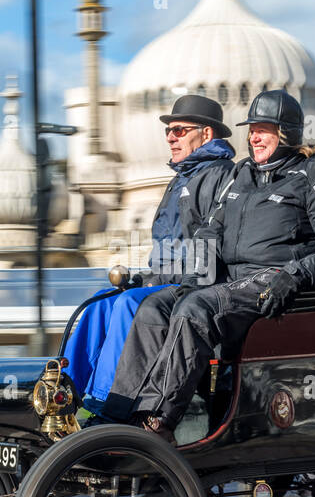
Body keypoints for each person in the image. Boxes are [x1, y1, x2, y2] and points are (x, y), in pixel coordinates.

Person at [99, 89, 315, 443]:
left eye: (264, 129)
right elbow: (211, 230)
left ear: (287, 132)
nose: (253, 137)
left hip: (276, 286)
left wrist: (294, 275)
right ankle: (116, 417)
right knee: (155, 306)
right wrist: (191, 277)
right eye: (251, 129)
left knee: (196, 308)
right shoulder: (242, 176)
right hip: (230, 285)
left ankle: (155, 423)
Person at [64, 94, 235, 410]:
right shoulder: (181, 179)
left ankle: (108, 402)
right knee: (101, 303)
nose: (170, 137)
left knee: (130, 302)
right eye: (168, 131)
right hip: (164, 279)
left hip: (194, 287)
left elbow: (206, 254)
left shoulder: (220, 176)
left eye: (180, 130)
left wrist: (151, 277)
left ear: (207, 133)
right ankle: (64, 393)